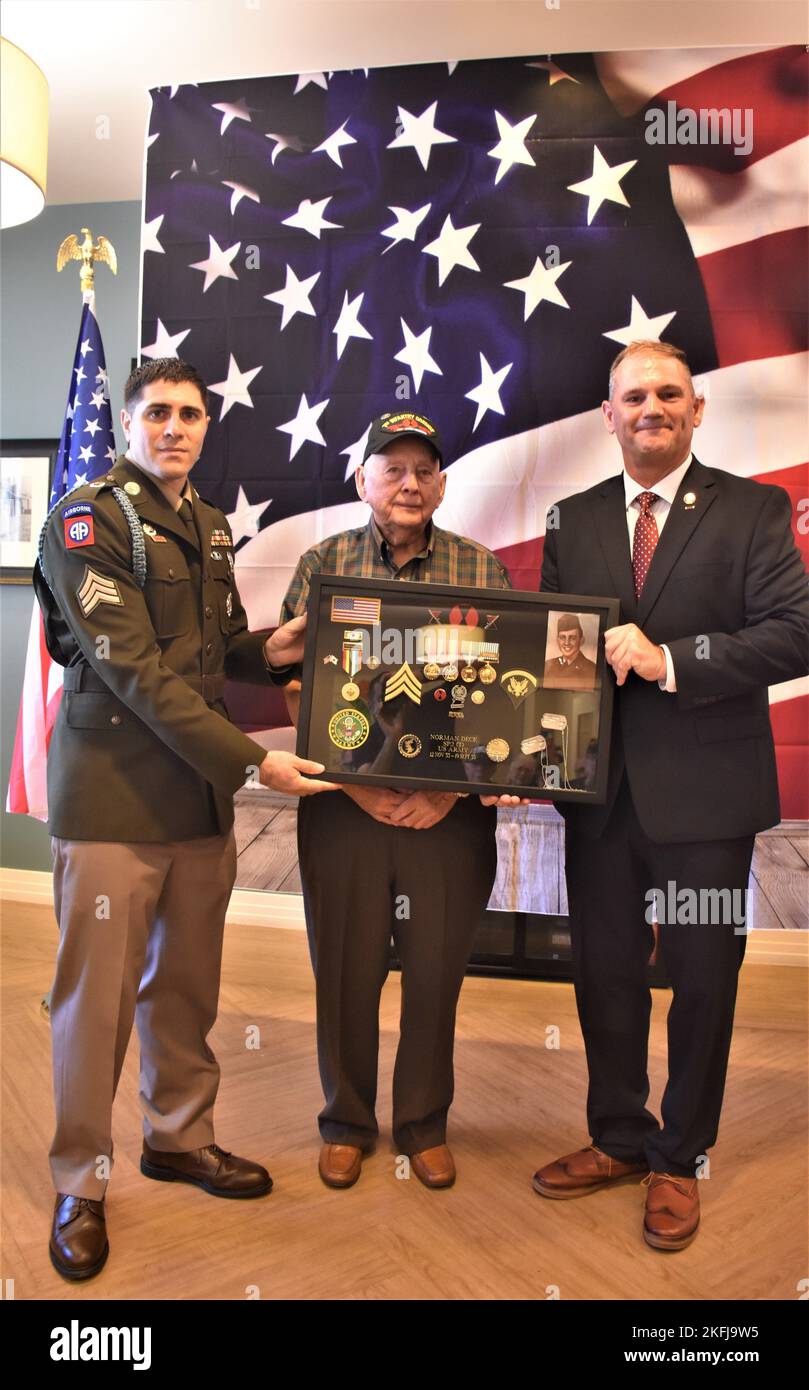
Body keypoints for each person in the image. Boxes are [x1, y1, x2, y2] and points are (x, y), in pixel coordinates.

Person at [33, 358, 335, 1281]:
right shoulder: (85, 520)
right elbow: (133, 670)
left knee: (187, 989)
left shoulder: (206, 524)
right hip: (116, 796)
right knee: (96, 1002)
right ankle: (80, 1181)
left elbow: (207, 655)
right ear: (127, 423)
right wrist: (255, 760)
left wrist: (267, 651)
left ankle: (177, 1137)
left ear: (207, 426)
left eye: (190, 414)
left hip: (194, 803)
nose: (175, 427)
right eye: (157, 412)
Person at [533, 341, 809, 1249]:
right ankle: (617, 1136)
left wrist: (670, 660)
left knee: (700, 982)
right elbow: (553, 662)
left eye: (667, 394)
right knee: (604, 977)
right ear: (607, 417)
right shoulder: (570, 520)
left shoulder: (754, 508)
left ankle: (678, 1156)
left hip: (704, 809)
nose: (649, 408)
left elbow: (793, 635)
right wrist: (517, 759)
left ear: (696, 411)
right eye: (631, 397)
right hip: (600, 806)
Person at [281, 410, 512, 1189]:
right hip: (345, 810)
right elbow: (293, 688)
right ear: (363, 481)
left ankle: (422, 1123)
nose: (408, 483)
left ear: (441, 482)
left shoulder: (482, 570)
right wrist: (353, 783)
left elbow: (502, 703)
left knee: (435, 969)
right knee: (344, 968)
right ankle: (345, 1120)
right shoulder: (323, 564)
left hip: (447, 818)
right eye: (392, 468)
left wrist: (452, 797)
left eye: (423, 470)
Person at [543, 613, 597, 690]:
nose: (566, 643)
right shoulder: (548, 666)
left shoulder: (591, 670)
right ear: (557, 640)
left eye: (572, 638)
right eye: (562, 637)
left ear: (581, 640)